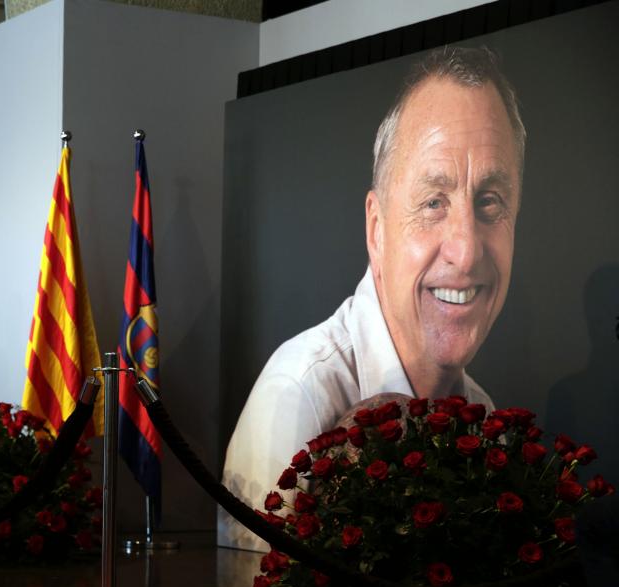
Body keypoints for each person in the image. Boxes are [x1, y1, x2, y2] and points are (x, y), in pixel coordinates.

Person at [220, 46, 526, 551]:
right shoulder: (299, 398)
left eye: (490, 201)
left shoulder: (482, 414)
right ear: (377, 229)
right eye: (433, 202)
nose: (467, 252)